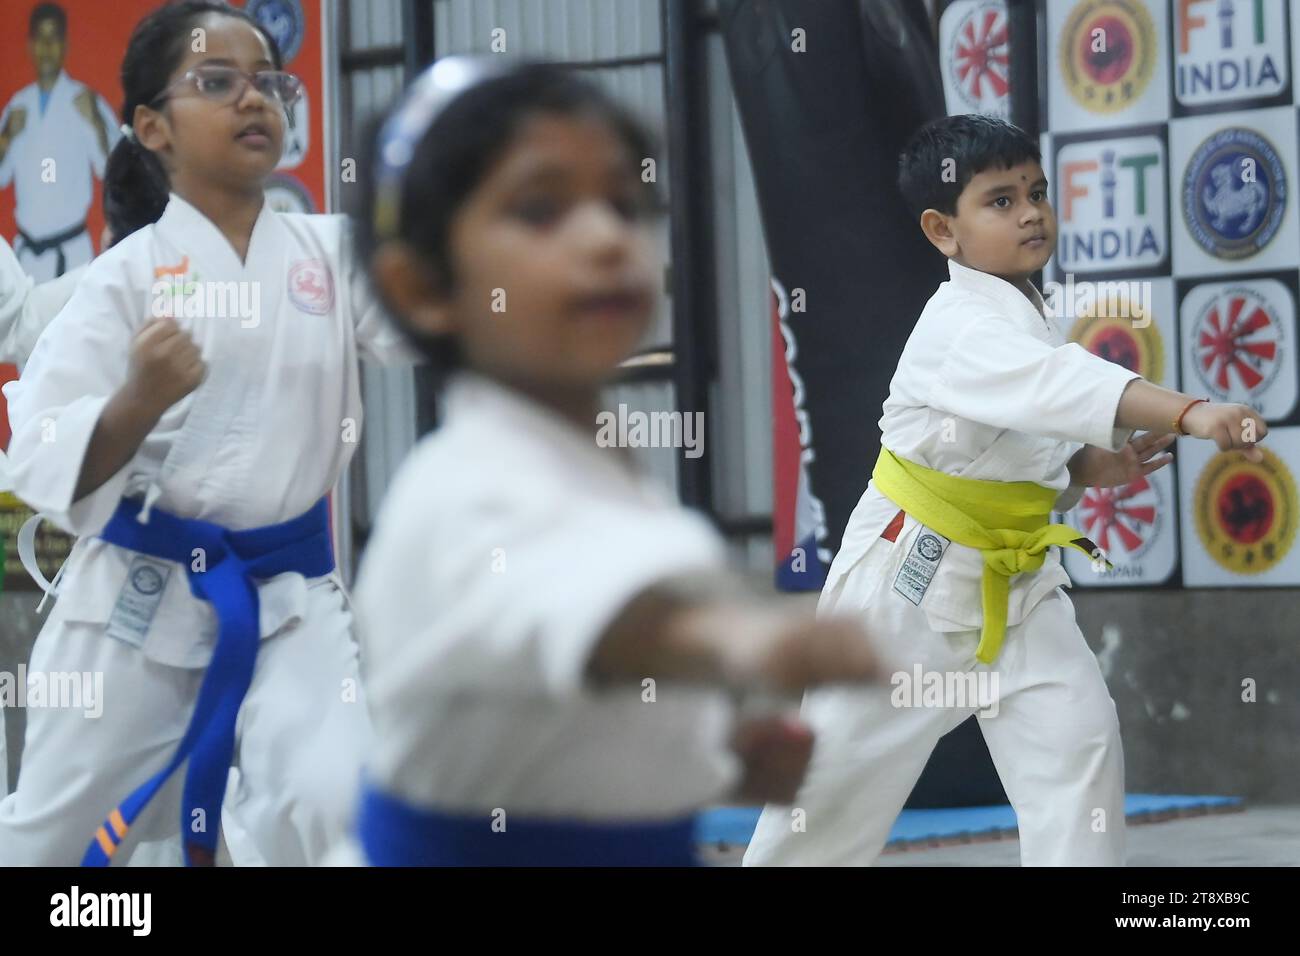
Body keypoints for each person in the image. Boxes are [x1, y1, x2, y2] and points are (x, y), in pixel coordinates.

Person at [349, 57, 883, 866]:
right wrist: (739, 635)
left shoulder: (603, 466)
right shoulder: (460, 488)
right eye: (540, 209)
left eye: (624, 206)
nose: (606, 238)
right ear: (423, 286)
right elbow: (615, 624)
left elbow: (564, 718)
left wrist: (720, 761)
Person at [744, 113, 1269, 867]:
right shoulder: (959, 324)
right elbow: (1059, 386)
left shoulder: (1025, 313)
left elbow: (1016, 440)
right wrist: (1193, 411)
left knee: (1079, 751)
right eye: (1000, 200)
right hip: (908, 586)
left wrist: (1090, 469)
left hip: (1018, 584)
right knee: (828, 799)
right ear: (941, 230)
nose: (1029, 212)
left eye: (1037, 193)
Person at [0, 0, 413, 866]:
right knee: (49, 842)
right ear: (153, 126)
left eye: (267, 82)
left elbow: (429, 315)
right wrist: (135, 403)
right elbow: (42, 458)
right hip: (132, 604)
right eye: (216, 83)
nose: (252, 101)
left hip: (290, 601)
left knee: (340, 801)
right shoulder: (119, 284)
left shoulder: (330, 257)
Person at [0, 2, 119, 281]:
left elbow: (109, 170)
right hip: (26, 254)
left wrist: (97, 124)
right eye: (40, 38)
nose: (46, 47)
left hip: (72, 252)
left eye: (53, 38)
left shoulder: (85, 100)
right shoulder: (18, 106)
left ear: (65, 45)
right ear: (30, 46)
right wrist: (5, 138)